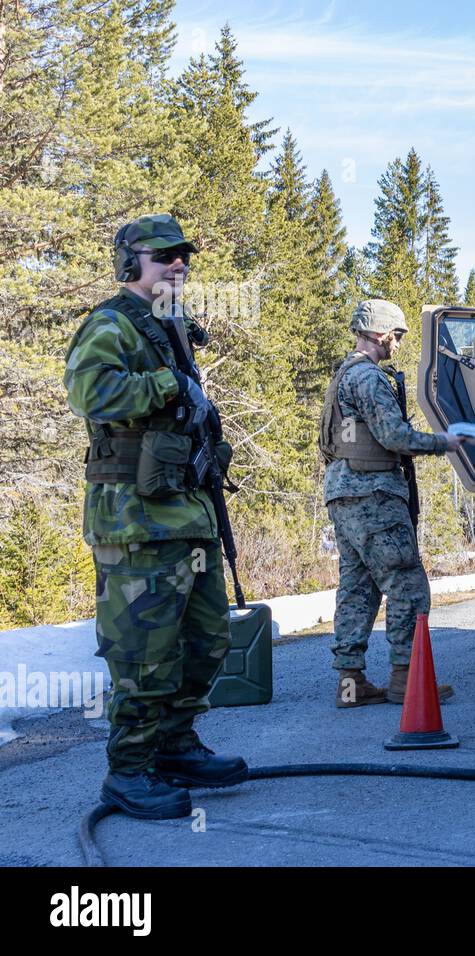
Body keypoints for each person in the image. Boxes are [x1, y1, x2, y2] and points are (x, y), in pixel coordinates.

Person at [65, 214, 248, 820]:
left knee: (207, 640)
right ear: (130, 263)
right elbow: (92, 394)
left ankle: (174, 745)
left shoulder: (171, 327)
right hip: (136, 521)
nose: (178, 264)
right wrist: (170, 384)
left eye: (183, 255)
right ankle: (129, 771)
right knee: (145, 654)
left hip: (186, 513)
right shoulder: (112, 323)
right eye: (163, 254)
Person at [320, 299, 464, 707]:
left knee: (358, 588)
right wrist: (443, 443)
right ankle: (405, 677)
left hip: (345, 493)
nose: (398, 343)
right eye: (396, 336)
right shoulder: (368, 378)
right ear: (382, 334)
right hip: (375, 494)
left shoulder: (344, 375)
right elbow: (394, 437)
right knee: (408, 585)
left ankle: (350, 683)